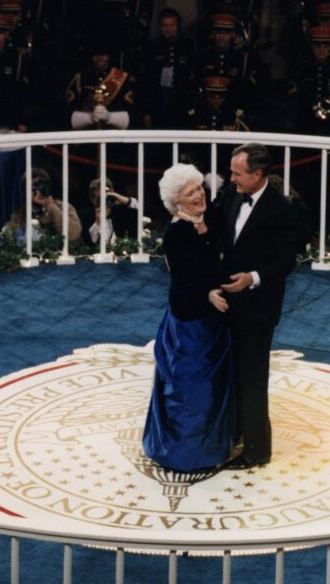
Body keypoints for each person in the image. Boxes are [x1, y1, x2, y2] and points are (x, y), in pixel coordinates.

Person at [142, 163, 237, 472]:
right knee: (191, 387)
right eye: (189, 192)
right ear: (176, 201)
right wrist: (207, 293)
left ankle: (214, 442)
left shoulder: (208, 218)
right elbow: (182, 278)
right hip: (190, 322)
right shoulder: (177, 232)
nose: (198, 195)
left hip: (213, 319)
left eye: (198, 188)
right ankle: (186, 452)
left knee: (215, 386)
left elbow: (213, 260)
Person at [214, 143, 298, 469]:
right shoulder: (233, 194)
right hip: (226, 302)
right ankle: (234, 432)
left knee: (252, 377)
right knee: (231, 372)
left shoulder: (282, 209)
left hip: (259, 307)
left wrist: (252, 278)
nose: (231, 178)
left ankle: (257, 450)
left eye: (237, 173)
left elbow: (285, 262)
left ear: (258, 175)